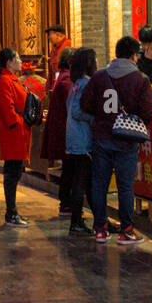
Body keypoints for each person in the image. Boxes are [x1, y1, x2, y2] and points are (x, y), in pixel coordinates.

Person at [81, 36, 152, 244]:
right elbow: (148, 111)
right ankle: (126, 231)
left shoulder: (99, 76)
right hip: (126, 141)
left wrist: (102, 117)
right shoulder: (141, 79)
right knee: (125, 186)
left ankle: (100, 230)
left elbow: (86, 105)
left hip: (101, 137)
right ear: (133, 55)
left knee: (99, 185)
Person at [0, 47, 35, 227]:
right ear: (9, 62)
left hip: (18, 132)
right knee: (12, 172)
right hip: (13, 133)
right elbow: (8, 110)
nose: (21, 62)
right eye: (18, 59)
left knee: (15, 171)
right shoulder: (4, 80)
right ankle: (11, 213)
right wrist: (19, 123)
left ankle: (13, 211)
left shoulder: (11, 78)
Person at [65, 47, 97, 236]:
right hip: (82, 139)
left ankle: (98, 219)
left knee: (86, 182)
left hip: (75, 137)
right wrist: (95, 118)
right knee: (80, 182)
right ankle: (76, 222)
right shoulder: (85, 83)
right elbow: (77, 111)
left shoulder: (77, 82)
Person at [40, 48, 73, 213]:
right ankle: (66, 204)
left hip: (62, 129)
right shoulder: (67, 79)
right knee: (69, 169)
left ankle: (65, 203)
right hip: (66, 131)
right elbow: (72, 105)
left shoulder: (63, 76)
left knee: (68, 168)